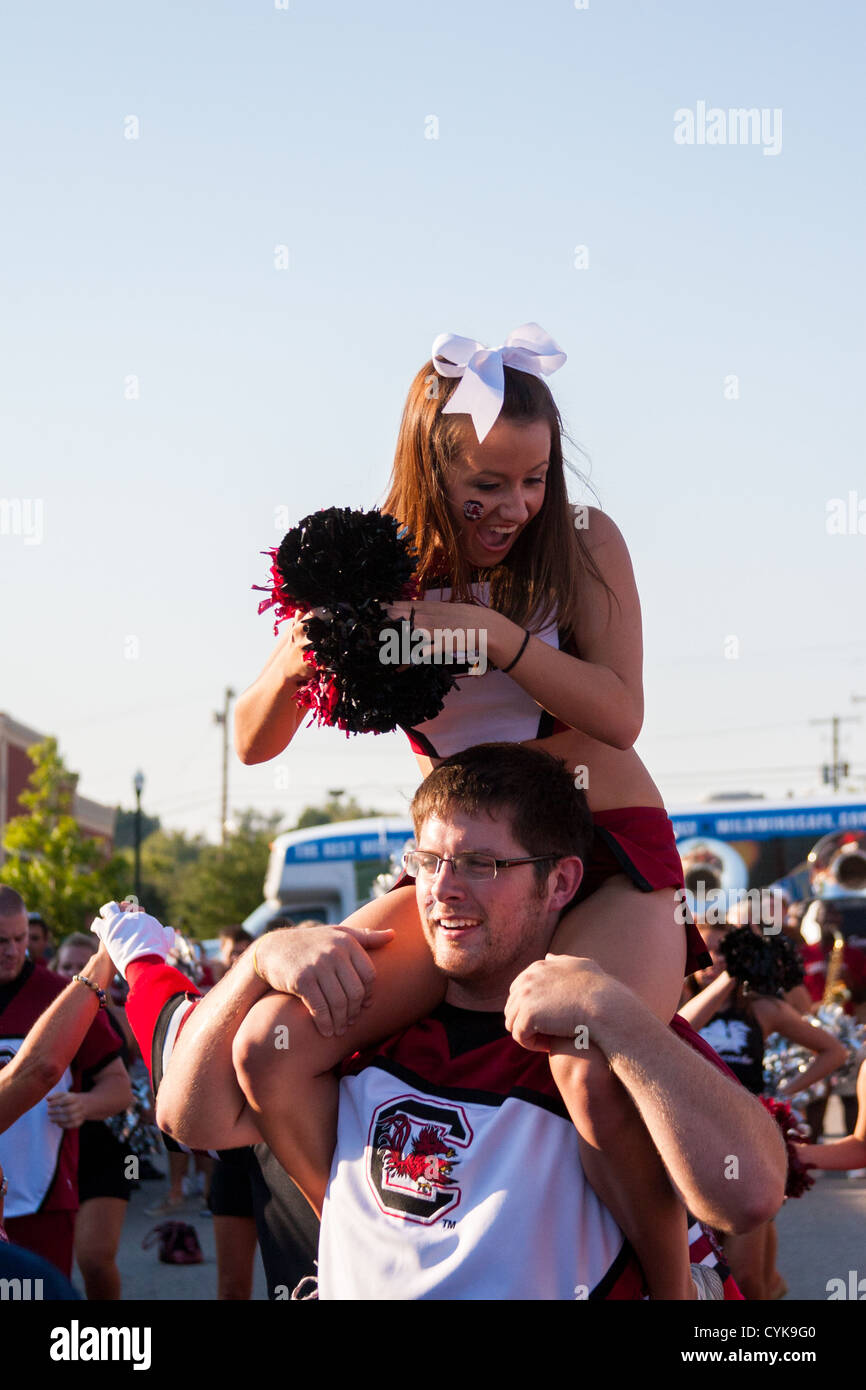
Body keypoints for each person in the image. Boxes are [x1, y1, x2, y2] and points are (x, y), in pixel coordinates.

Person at [228, 324, 715, 1298]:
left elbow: (618, 713)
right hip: (467, 867)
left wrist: (495, 636)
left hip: (603, 854)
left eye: (532, 479)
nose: (512, 506)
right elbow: (252, 739)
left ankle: (674, 1293)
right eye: (485, 483)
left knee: (583, 1059)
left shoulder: (580, 543)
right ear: (425, 459)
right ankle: (367, 1253)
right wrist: (308, 641)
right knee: (270, 1048)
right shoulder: (375, 558)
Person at [97, 745, 788, 1300]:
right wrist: (257, 963)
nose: (444, 888)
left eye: (482, 864)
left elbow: (749, 1195)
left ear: (561, 883)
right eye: (428, 861)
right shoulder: (352, 1037)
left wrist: (618, 1015)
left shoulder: (598, 1040)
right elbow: (187, 1118)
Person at [679, 921, 848, 1300]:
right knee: (695, 1268)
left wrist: (782, 1092)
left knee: (746, 1278)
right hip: (688, 1142)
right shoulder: (673, 1003)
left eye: (723, 950)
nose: (713, 960)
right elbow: (681, 1029)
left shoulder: (762, 1008)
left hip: (746, 1143)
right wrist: (726, 979)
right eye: (703, 950)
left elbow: (834, 1051)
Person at [0, 888, 131, 1278]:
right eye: (0, 941)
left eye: (20, 939)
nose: (11, 950)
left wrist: (84, 1105)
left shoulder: (62, 996)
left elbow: (119, 1087)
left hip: (46, 1195)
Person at [51, 932, 135, 1300]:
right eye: (67, 967)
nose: (75, 976)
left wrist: (83, 1105)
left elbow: (132, 1088)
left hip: (105, 1149)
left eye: (84, 968)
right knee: (44, 1265)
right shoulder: (39, 1010)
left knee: (94, 1258)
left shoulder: (121, 1018)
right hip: (48, 1151)